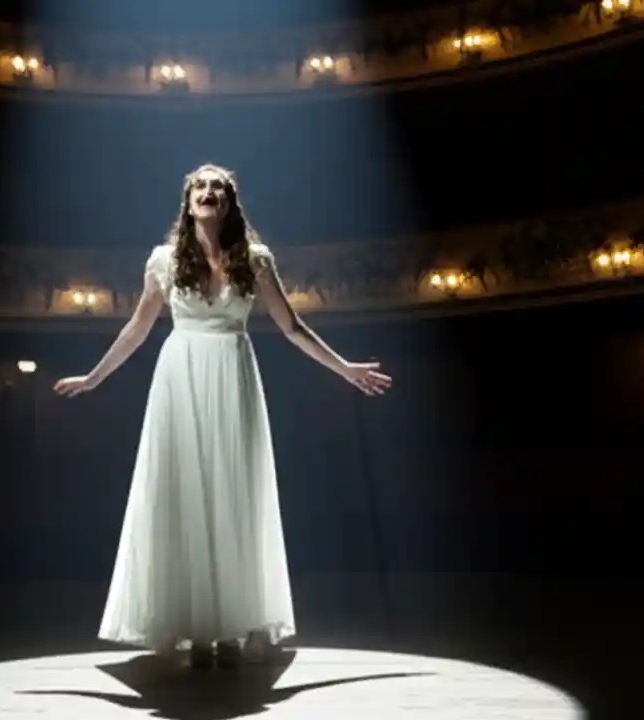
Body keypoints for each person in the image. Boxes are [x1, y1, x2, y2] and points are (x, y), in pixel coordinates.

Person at [53, 164, 392, 669]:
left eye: (218, 188)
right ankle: (192, 627)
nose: (208, 193)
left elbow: (293, 327)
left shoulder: (254, 259)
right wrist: (94, 378)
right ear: (187, 201)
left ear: (230, 204)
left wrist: (344, 369)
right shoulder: (164, 261)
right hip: (180, 374)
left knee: (233, 494)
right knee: (183, 491)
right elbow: (136, 329)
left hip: (232, 372)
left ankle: (231, 623)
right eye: (199, 187)